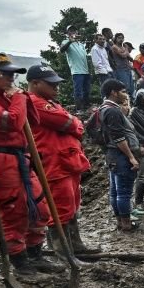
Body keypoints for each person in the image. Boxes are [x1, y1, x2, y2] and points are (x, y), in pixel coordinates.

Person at [0, 53, 62, 276]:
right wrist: (19, 100)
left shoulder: (7, 95)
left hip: (21, 157)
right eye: (5, 73)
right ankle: (19, 261)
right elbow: (12, 123)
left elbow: (32, 121)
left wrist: (23, 98)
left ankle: (35, 253)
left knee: (40, 206)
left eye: (13, 74)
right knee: (14, 210)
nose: (11, 78)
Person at [27, 65, 96, 254]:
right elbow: (68, 123)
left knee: (72, 206)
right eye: (51, 85)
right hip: (54, 165)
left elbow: (75, 125)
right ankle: (63, 252)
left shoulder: (51, 102)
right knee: (60, 210)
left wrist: (74, 123)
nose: (56, 88)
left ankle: (76, 245)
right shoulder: (35, 103)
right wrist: (74, 122)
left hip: (68, 162)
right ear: (35, 83)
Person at [99, 79, 141, 231]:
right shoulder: (113, 111)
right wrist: (131, 156)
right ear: (113, 92)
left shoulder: (103, 108)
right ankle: (127, 223)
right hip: (120, 155)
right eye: (123, 91)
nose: (125, 94)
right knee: (124, 192)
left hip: (112, 154)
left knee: (115, 190)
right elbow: (119, 138)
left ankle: (120, 222)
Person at [60, 26, 91, 111]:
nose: (73, 32)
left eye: (74, 30)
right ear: (68, 33)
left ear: (77, 32)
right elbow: (62, 49)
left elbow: (84, 57)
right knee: (78, 92)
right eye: (71, 30)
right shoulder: (66, 41)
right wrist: (70, 41)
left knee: (87, 91)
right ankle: (79, 109)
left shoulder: (81, 45)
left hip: (85, 70)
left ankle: (86, 108)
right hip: (76, 71)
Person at [111, 33, 134, 98]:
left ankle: (130, 102)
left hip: (128, 69)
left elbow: (131, 59)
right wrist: (126, 49)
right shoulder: (114, 46)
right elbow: (123, 56)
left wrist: (125, 52)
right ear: (115, 38)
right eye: (119, 38)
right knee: (124, 87)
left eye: (122, 38)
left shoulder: (123, 48)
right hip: (120, 69)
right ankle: (124, 101)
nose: (121, 39)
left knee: (131, 88)